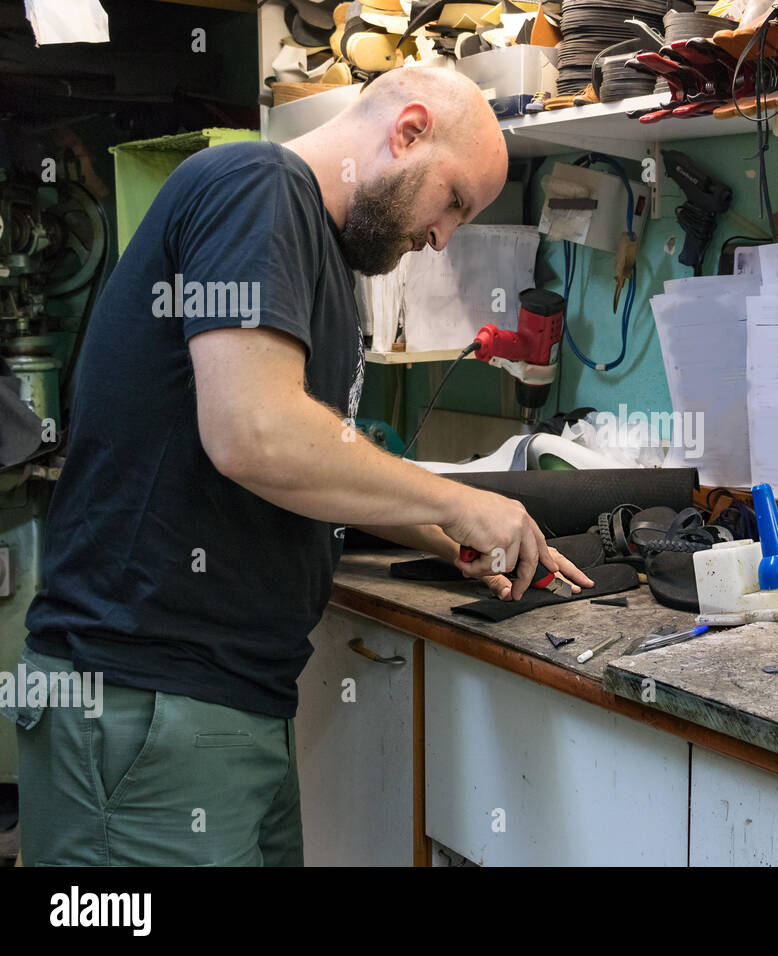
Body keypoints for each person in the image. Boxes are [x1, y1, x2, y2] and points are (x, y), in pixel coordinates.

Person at [9, 67, 593, 865]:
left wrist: (443, 538)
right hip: (144, 704)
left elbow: (308, 465)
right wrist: (459, 503)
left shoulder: (315, 249)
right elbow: (255, 432)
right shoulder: (257, 184)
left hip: (222, 706)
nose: (442, 237)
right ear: (410, 130)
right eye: (455, 200)